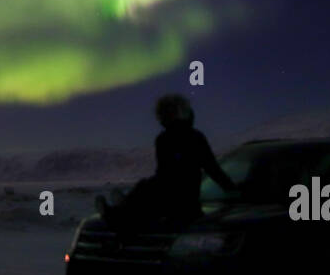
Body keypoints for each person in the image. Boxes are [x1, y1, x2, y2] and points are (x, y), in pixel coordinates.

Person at [98, 94, 236, 229]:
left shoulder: (165, 138)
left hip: (175, 199)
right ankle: (122, 208)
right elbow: (211, 168)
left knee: (144, 188)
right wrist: (230, 188)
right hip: (186, 199)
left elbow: (166, 173)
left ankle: (119, 211)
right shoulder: (194, 137)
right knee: (145, 188)